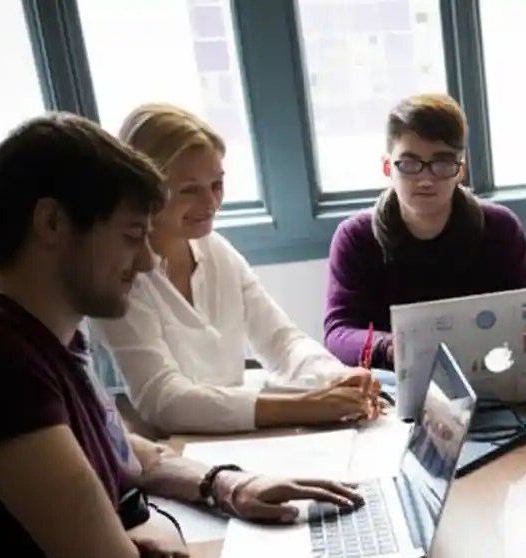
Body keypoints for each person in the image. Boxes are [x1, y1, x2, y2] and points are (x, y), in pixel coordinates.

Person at [0, 113, 364, 558]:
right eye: (131, 236)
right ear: (51, 223)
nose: (149, 261)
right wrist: (152, 531)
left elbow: (125, 448)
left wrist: (227, 484)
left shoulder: (43, 334)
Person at [90, 103, 379, 435]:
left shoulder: (215, 249)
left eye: (216, 185)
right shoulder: (121, 277)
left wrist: (336, 377)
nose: (211, 203)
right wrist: (305, 406)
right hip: (164, 450)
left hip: (232, 439)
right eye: (189, 190)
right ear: (144, 191)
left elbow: (280, 341)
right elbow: (162, 400)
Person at [323, 93, 526, 368]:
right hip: (392, 382)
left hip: (490, 374)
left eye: (442, 164)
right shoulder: (356, 238)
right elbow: (338, 331)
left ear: (460, 170)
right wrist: (390, 348)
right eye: (409, 164)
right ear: (388, 167)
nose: (425, 179)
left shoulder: (500, 229)